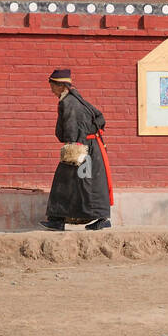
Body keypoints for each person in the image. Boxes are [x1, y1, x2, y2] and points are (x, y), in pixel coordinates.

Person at [40, 69, 112, 231]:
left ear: (61, 86)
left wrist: (74, 148)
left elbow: (73, 126)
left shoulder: (70, 103)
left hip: (81, 148)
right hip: (86, 146)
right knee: (81, 183)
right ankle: (58, 218)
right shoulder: (73, 99)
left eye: (52, 86)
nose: (51, 90)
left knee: (81, 182)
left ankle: (99, 218)